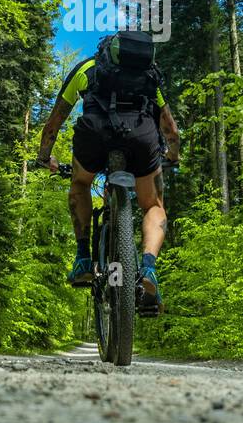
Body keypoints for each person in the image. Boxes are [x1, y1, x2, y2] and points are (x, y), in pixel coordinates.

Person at [36, 30, 180, 311]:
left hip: (94, 137)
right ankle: (148, 268)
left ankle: (82, 259)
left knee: (80, 184)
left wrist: (44, 157)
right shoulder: (149, 74)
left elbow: (54, 122)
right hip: (142, 138)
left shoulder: (87, 69)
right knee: (153, 204)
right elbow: (170, 128)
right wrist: (171, 156)